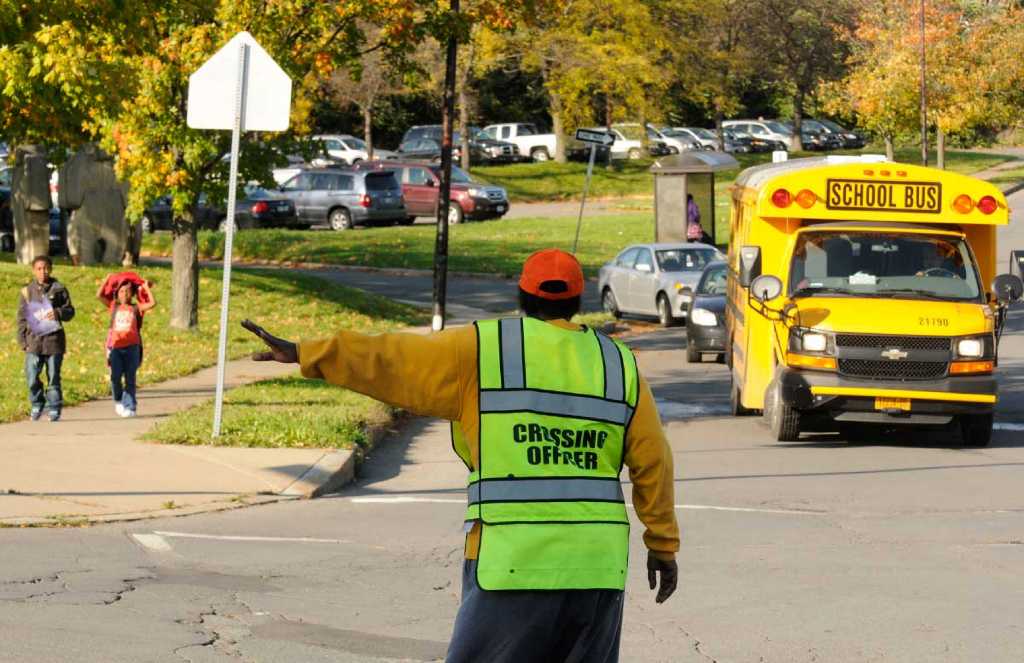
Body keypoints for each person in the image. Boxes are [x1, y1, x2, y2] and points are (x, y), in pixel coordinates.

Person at [242, 248, 679, 663]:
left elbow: (392, 358)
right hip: (596, 567)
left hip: (512, 562)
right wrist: (661, 545)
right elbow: (652, 459)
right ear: (577, 302)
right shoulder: (619, 363)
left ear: (522, 298)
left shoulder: (482, 349)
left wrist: (307, 353)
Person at [16, 255, 75, 421]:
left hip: (53, 341)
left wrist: (58, 313)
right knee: (32, 376)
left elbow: (70, 311)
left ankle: (54, 407)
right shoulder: (27, 291)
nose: (43, 271)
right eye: (40, 268)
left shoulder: (59, 288)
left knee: (53, 376)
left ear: (51, 268)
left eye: (46, 268)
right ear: (34, 271)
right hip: (33, 341)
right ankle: (37, 402)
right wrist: (22, 341)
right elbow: (21, 318)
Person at [96, 273, 155, 417]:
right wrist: (106, 279)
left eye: (128, 291)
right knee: (115, 377)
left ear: (133, 293)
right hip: (116, 348)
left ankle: (130, 406)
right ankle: (118, 400)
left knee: (130, 378)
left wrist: (146, 288)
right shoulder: (114, 306)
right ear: (117, 294)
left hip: (132, 347)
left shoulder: (137, 308)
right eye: (122, 291)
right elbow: (99, 296)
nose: (125, 294)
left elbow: (152, 303)